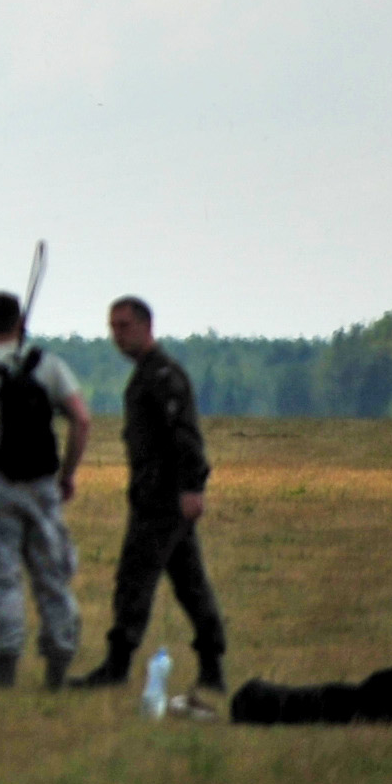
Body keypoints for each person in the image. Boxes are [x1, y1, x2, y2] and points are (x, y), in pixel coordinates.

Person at [73, 295, 229, 691]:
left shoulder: (163, 377)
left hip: (163, 501)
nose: (117, 335)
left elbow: (186, 436)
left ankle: (117, 665)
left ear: (146, 326)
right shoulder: (145, 375)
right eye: (113, 328)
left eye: (124, 326)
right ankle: (212, 667)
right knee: (190, 583)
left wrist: (193, 487)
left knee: (134, 582)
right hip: (152, 497)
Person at [0, 290, 93, 689]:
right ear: (20, 321)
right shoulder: (49, 366)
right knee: (52, 576)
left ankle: (5, 669)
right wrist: (68, 473)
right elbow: (81, 420)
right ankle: (58, 668)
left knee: (1, 577)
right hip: (43, 485)